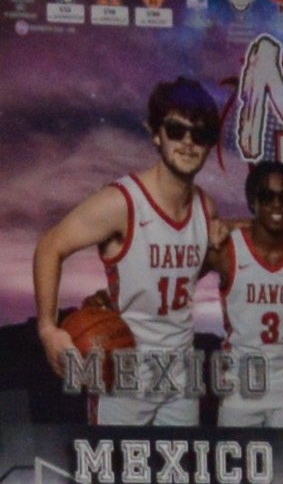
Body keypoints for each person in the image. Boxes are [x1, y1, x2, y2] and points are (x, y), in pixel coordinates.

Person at [33, 77, 221, 429]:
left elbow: (184, 269)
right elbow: (50, 247)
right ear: (156, 134)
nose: (188, 142)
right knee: (113, 480)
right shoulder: (122, 202)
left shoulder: (205, 208)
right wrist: (47, 328)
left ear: (210, 144)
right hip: (122, 369)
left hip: (179, 373)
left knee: (176, 482)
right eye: (176, 130)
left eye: (201, 134)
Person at [208, 154, 283, 430]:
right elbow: (177, 279)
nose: (277, 204)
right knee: (236, 472)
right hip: (240, 385)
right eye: (267, 196)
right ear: (253, 200)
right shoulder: (226, 251)